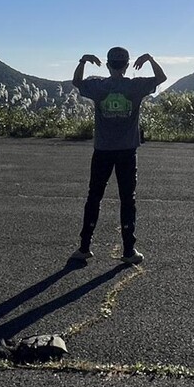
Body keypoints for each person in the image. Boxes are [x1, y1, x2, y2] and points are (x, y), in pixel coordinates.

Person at [70, 46, 167, 265]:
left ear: (107, 64)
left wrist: (83, 61)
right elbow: (162, 77)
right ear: (126, 64)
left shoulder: (98, 86)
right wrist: (149, 58)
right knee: (127, 199)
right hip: (127, 151)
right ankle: (129, 251)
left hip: (102, 150)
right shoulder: (135, 86)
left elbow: (77, 82)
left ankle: (84, 247)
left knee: (94, 196)